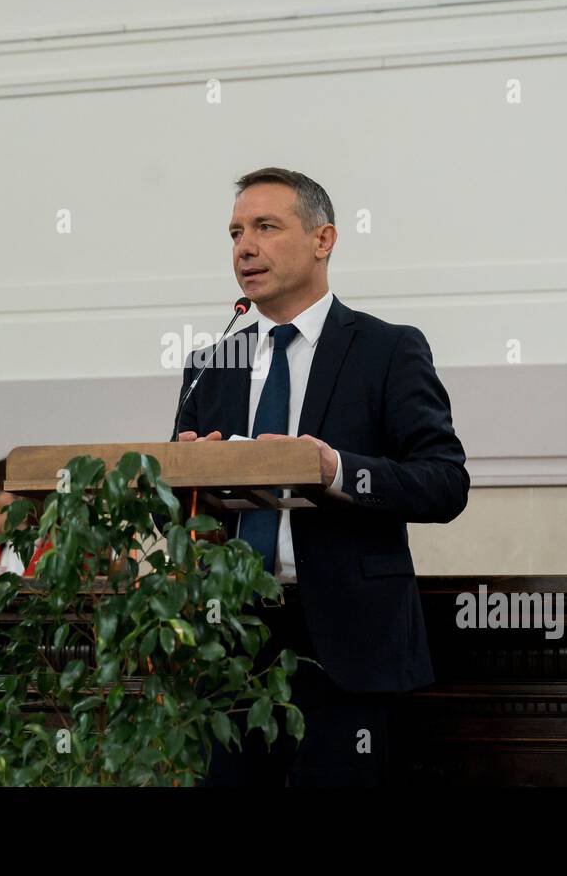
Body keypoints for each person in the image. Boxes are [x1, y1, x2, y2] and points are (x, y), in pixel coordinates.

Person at [173, 167, 469, 785]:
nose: (244, 247)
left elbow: (444, 483)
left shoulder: (387, 349)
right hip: (230, 646)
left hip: (345, 643)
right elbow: (181, 515)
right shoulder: (212, 361)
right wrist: (187, 479)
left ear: (323, 239)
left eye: (265, 227)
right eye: (234, 233)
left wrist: (337, 470)